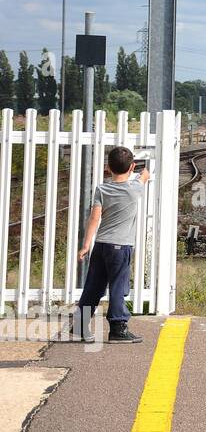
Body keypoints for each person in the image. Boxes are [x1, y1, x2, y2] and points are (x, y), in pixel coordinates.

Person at [73, 146, 149, 343]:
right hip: (121, 247)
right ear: (132, 166)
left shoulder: (102, 188)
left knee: (94, 286)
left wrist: (86, 245)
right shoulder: (135, 189)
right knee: (117, 286)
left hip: (101, 245)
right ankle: (118, 328)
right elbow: (143, 177)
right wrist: (144, 172)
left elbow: (94, 218)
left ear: (108, 168)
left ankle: (80, 326)